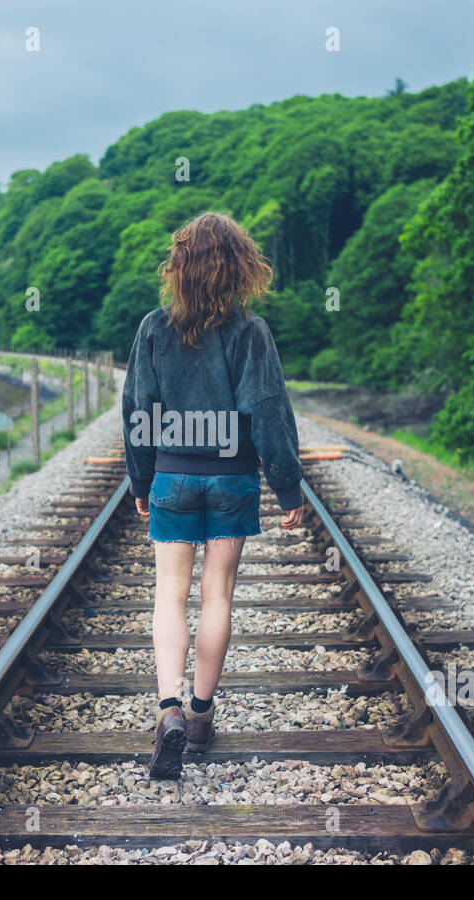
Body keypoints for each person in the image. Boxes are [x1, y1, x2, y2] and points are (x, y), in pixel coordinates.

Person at [121, 211, 305, 780]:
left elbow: (137, 410)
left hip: (173, 478)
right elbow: (268, 409)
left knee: (170, 595)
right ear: (239, 268)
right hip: (231, 480)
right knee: (216, 596)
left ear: (179, 268)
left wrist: (141, 480)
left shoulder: (154, 327)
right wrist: (287, 484)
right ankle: (201, 714)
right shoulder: (252, 332)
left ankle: (168, 708)